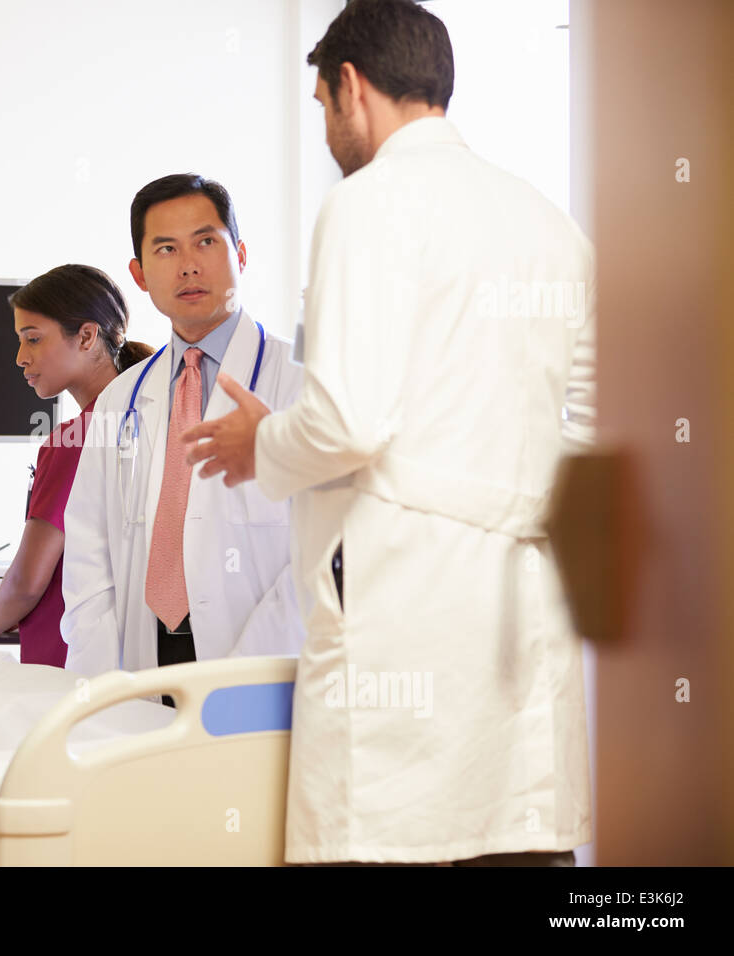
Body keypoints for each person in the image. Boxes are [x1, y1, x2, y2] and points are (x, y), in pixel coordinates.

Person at [185, 0, 595, 865]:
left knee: (381, 838)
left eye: (325, 109)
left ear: (350, 87)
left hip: (404, 594)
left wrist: (258, 444)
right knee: (515, 839)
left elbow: (348, 422)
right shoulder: (550, 223)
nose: (330, 133)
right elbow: (593, 426)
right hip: (525, 591)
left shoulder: (369, 204)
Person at [61, 174, 306, 695]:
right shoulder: (121, 398)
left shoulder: (303, 380)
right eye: (166, 249)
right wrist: (100, 682)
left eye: (206, 242)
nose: (189, 264)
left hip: (266, 668)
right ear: (140, 274)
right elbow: (88, 549)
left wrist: (246, 675)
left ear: (240, 253)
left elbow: (327, 547)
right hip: (143, 667)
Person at [0, 265, 154, 666]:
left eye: (33, 339)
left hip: (67, 665)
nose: (21, 358)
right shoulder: (148, 421)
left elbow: (28, 581)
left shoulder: (77, 439)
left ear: (87, 336)